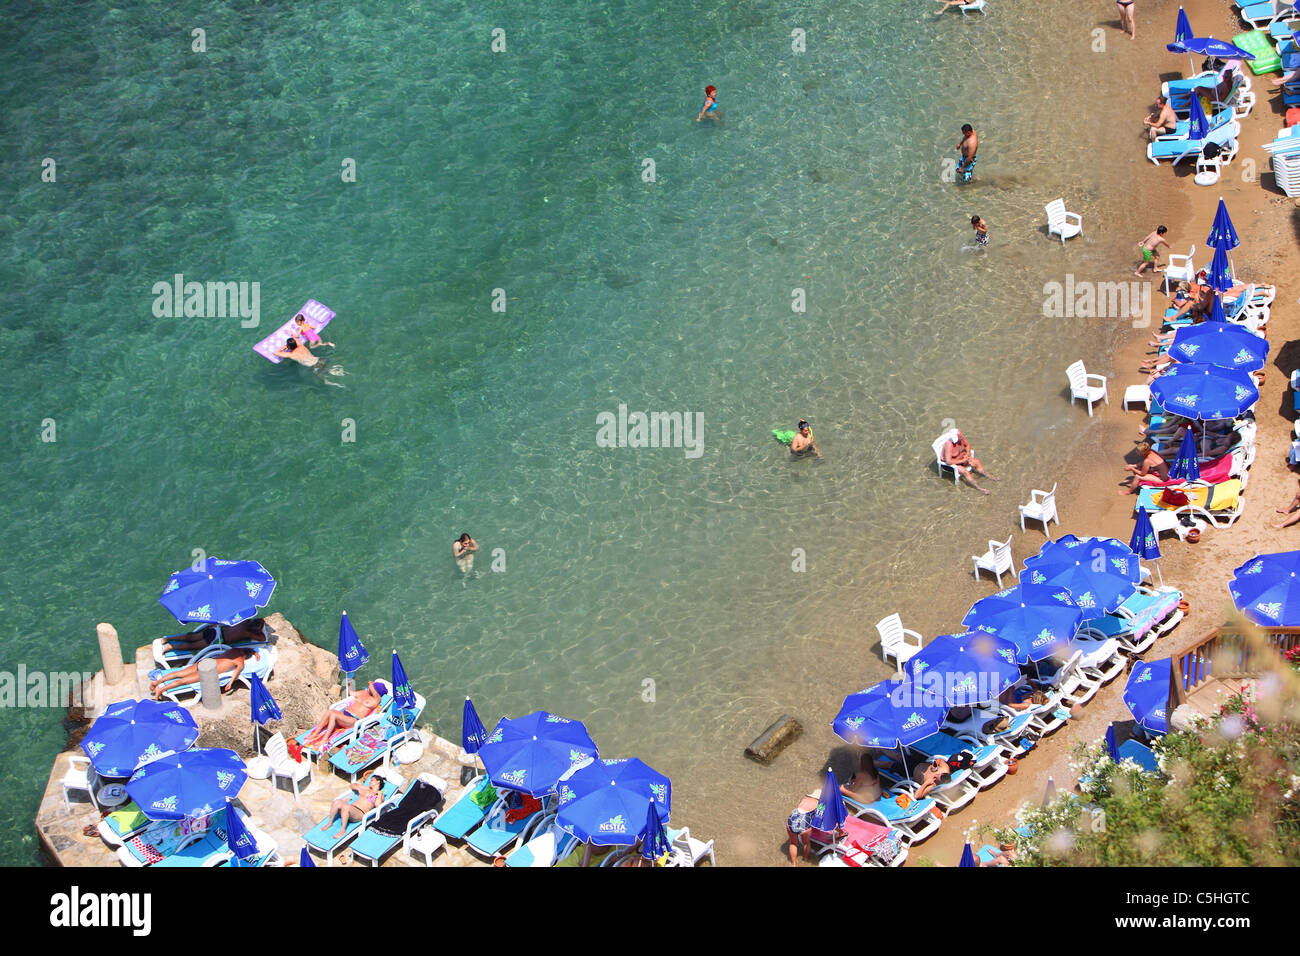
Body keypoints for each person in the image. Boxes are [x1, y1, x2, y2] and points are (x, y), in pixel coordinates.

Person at [148, 646, 261, 700]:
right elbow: (236, 673)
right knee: (183, 681)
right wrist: (230, 683)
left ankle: (157, 682)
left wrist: (254, 652)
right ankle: (160, 690)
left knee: (179, 673)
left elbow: (247, 649)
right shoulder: (240, 661)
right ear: (246, 657)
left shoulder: (235, 650)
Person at [302, 680, 388, 750]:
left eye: (372, 687)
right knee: (330, 711)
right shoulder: (363, 692)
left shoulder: (375, 700)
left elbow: (376, 694)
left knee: (333, 715)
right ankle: (315, 733)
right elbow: (352, 693)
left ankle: (325, 738)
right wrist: (348, 683)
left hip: (352, 720)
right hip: (344, 714)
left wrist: (371, 684)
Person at [325, 774, 385, 840]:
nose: (369, 782)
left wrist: (379, 794)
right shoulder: (365, 788)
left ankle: (342, 830)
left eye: (372, 780)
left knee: (346, 807)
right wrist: (359, 788)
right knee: (337, 801)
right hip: (351, 808)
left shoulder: (379, 794)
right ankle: (330, 823)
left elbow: (378, 805)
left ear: (378, 782)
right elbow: (352, 785)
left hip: (359, 813)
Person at [160, 617, 267, 653]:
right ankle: (171, 646)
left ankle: (168, 638)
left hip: (215, 631)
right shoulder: (247, 633)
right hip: (217, 640)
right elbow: (263, 638)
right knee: (192, 646)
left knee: (191, 637)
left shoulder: (244, 621)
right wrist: (260, 630)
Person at [273, 337, 346, 387]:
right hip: (321, 360)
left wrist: (284, 347)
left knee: (324, 380)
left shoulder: (291, 354)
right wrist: (291, 338)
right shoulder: (301, 346)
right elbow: (295, 339)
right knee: (328, 370)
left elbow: (275, 353)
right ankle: (340, 372)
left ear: (289, 347)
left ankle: (336, 384)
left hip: (315, 367)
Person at [942, 430, 997, 494]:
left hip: (962, 458)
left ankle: (987, 475)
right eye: (960, 437)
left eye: (961, 436)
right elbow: (948, 461)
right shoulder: (949, 445)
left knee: (976, 462)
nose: (961, 438)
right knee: (965, 472)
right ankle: (979, 488)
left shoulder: (961, 438)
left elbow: (967, 445)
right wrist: (962, 460)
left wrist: (968, 455)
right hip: (951, 464)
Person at [786, 791, 821, 864]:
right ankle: (805, 859)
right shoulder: (819, 804)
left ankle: (793, 863)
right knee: (806, 843)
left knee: (793, 843)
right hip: (804, 820)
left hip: (793, 817)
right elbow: (820, 818)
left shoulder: (805, 798)